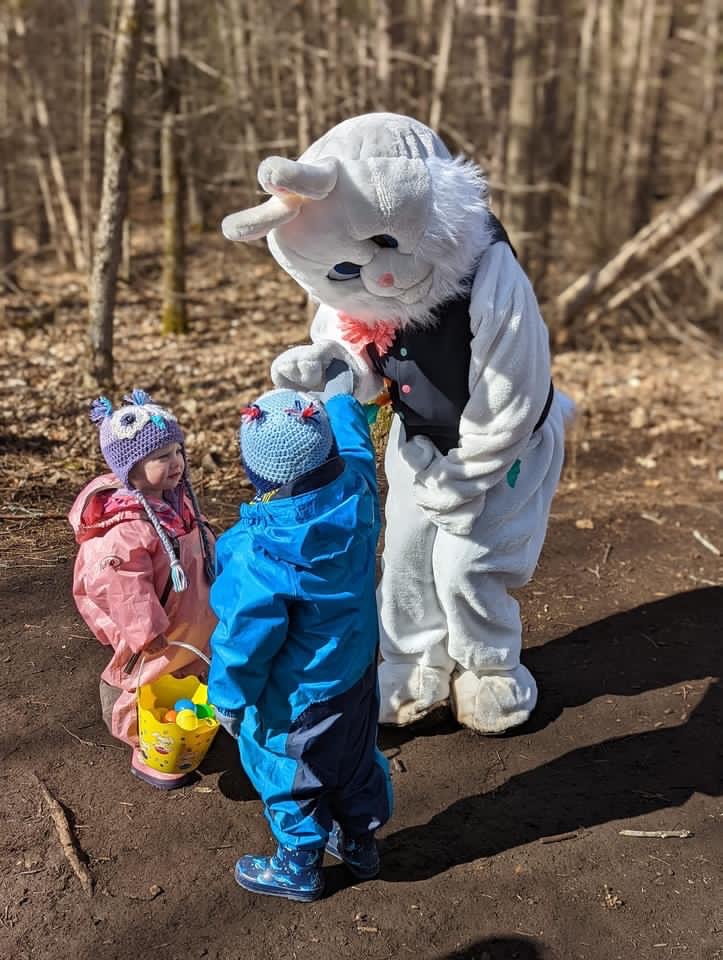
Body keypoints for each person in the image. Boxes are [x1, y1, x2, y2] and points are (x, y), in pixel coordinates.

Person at [208, 367, 392, 902]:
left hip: (297, 697)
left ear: (255, 474)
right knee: (357, 760)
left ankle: (299, 865)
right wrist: (337, 391)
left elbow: (243, 640)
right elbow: (356, 444)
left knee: (291, 774)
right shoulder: (357, 492)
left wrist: (227, 699)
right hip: (356, 672)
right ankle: (361, 843)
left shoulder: (256, 554)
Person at [69, 389, 216, 789]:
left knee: (188, 669)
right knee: (147, 681)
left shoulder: (178, 500)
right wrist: (144, 629)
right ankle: (149, 745)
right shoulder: (124, 529)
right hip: (156, 627)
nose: (176, 463)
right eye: (160, 457)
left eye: (177, 451)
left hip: (190, 614)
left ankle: (192, 720)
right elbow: (122, 586)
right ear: (130, 470)